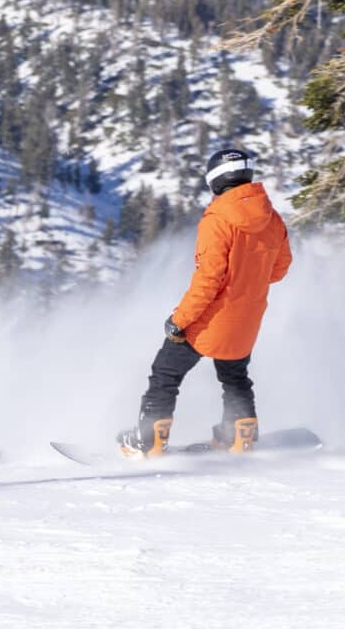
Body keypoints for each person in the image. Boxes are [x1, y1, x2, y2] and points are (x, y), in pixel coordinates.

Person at [118, 146, 293, 457]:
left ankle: (149, 442)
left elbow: (208, 280)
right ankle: (240, 438)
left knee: (165, 374)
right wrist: (246, 282)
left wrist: (180, 319)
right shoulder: (272, 219)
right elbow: (279, 269)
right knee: (235, 377)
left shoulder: (217, 220)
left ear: (215, 181)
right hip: (248, 318)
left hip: (210, 320)